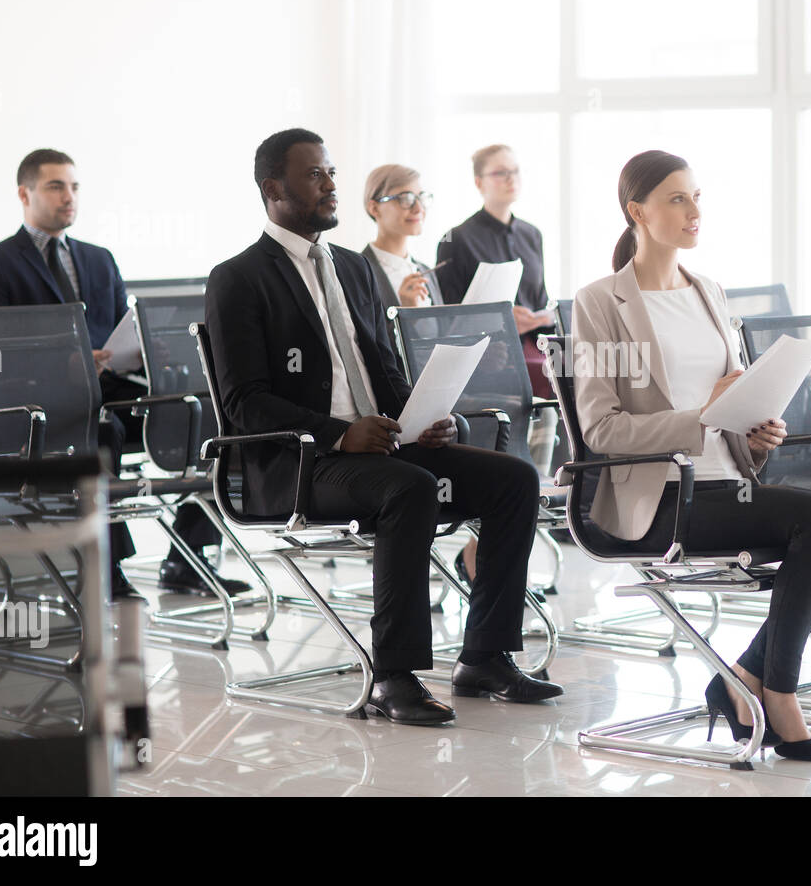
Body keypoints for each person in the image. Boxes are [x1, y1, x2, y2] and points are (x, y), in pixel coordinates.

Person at [203, 128, 562, 725]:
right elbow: (243, 402)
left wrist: (424, 416)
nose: (332, 184)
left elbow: (385, 367)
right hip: (303, 463)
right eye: (315, 175)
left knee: (515, 480)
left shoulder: (351, 267)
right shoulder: (239, 278)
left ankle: (485, 656)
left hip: (383, 447)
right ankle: (393, 675)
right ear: (274, 189)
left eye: (332, 171)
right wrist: (339, 433)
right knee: (410, 488)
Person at [571, 150, 811, 759]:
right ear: (637, 211)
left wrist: (752, 429)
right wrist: (703, 418)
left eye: (696, 196)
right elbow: (601, 431)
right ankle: (781, 692)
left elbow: (730, 398)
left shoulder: (710, 291)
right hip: (662, 498)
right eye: (676, 199)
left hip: (729, 481)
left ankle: (744, 676)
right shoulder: (601, 303)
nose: (694, 211)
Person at [0, 148, 241, 602]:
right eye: (56, 186)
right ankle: (106, 569)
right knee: (102, 430)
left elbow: (120, 329)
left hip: (107, 386)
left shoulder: (97, 258)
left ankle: (188, 555)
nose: (68, 197)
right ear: (25, 193)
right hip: (41, 403)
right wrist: (63, 362)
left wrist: (147, 353)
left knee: (212, 414)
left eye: (74, 187)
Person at [437, 144, 557, 583]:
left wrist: (538, 316)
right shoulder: (458, 237)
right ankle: (483, 550)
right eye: (499, 173)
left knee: (560, 382)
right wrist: (504, 318)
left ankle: (531, 499)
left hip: (530, 350)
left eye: (515, 171)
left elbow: (541, 299)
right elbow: (450, 314)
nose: (510, 179)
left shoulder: (531, 233)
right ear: (478, 182)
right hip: (489, 359)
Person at [360, 163, 443, 353]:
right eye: (405, 198)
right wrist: (405, 315)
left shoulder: (424, 270)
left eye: (421, 197)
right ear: (374, 208)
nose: (418, 208)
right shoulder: (356, 271)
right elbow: (365, 348)